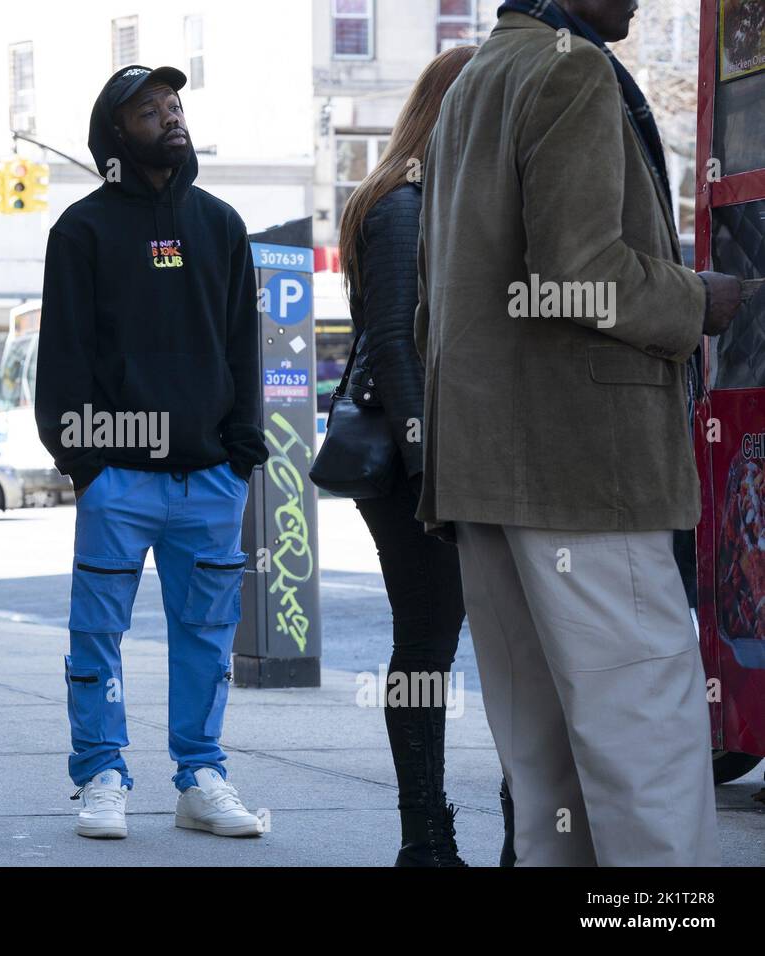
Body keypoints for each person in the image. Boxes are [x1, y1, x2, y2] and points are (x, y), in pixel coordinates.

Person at [416, 0, 741, 865]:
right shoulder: (571, 68)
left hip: (485, 470)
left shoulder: (474, 79)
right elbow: (580, 271)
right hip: (583, 467)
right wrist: (696, 301)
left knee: (546, 767)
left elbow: (435, 303)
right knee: (648, 751)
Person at [35, 65, 268, 840]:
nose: (169, 117)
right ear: (114, 133)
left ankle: (201, 775)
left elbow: (243, 347)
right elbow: (63, 358)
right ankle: (101, 773)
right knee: (96, 636)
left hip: (210, 477)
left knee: (206, 638)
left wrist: (239, 456)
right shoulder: (81, 230)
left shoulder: (222, 223)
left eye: (173, 105)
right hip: (118, 477)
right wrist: (87, 467)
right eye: (148, 110)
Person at [337, 45, 479, 866]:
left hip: (454, 459)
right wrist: (432, 473)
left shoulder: (454, 198)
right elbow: (392, 343)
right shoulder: (403, 203)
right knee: (426, 643)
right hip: (413, 466)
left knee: (455, 640)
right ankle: (424, 832)